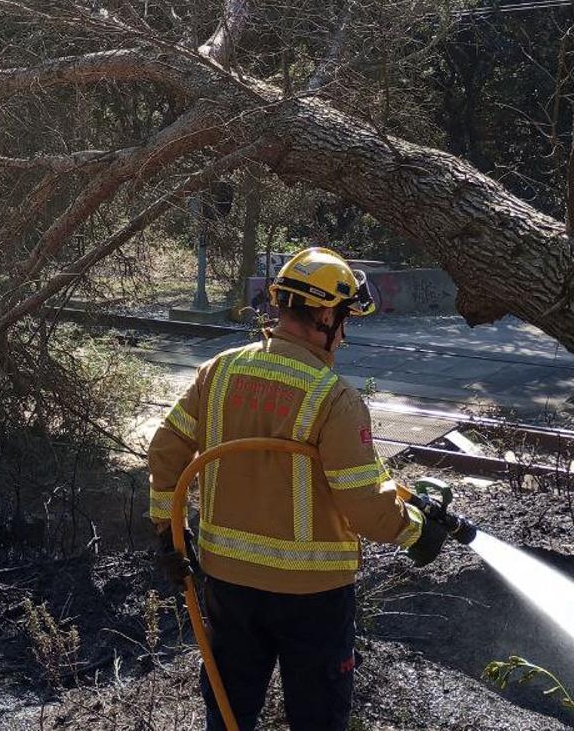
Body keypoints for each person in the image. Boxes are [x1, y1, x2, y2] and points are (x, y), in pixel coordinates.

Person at [148, 247, 446, 731]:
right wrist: (416, 532)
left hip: (229, 584)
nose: (345, 332)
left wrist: (169, 529)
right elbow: (365, 505)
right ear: (326, 314)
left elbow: (165, 451)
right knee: (317, 719)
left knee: (228, 713)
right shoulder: (335, 399)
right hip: (313, 597)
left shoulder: (218, 372)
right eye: (345, 317)